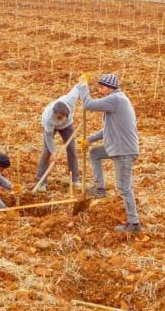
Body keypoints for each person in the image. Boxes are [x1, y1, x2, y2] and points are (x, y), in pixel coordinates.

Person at [78, 73, 141, 232]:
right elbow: (108, 130)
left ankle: (134, 224)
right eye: (98, 87)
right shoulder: (116, 101)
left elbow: (87, 104)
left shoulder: (116, 99)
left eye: (102, 88)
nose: (100, 91)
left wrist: (83, 86)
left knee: (124, 187)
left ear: (111, 88)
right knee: (95, 153)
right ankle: (99, 188)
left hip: (124, 151)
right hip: (118, 146)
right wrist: (89, 139)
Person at [33, 86, 81, 193]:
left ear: (65, 113)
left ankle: (75, 180)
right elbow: (48, 137)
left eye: (59, 117)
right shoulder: (49, 118)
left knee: (72, 150)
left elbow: (79, 85)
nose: (56, 118)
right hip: (49, 128)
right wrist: (53, 152)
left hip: (67, 126)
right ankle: (41, 183)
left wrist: (85, 83)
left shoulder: (70, 99)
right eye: (56, 116)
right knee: (47, 152)